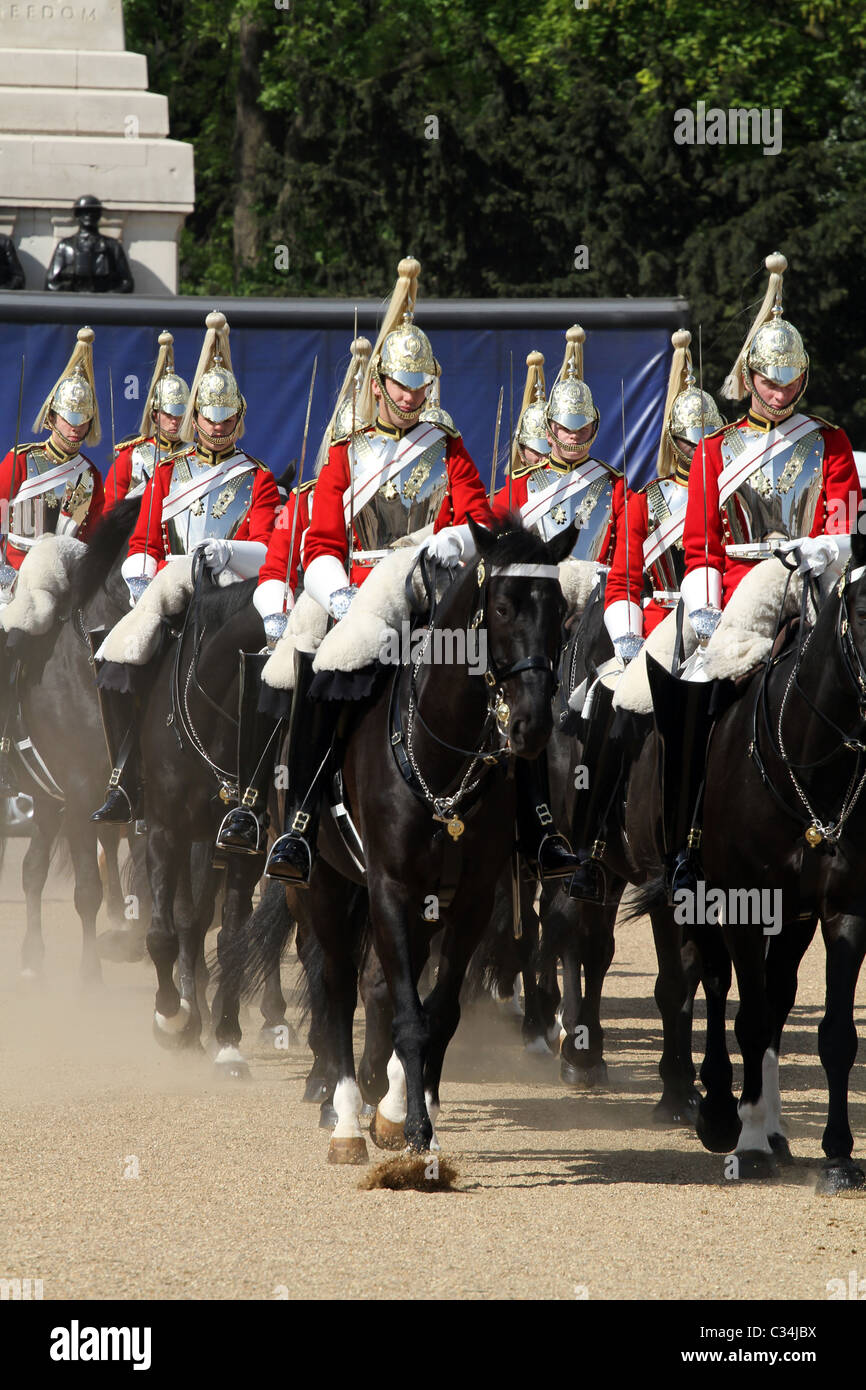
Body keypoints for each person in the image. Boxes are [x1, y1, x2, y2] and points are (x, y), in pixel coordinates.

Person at [264, 255, 496, 885]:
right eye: (400, 384)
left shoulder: (448, 447)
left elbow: (480, 521)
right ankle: (299, 823)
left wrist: (454, 542)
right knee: (317, 667)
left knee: (496, 676)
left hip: (429, 595)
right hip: (357, 595)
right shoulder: (346, 452)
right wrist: (339, 596)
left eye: (420, 385)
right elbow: (321, 542)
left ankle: (524, 830)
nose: (410, 395)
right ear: (380, 383)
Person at [652, 251, 861, 897]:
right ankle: (685, 841)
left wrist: (823, 551)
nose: (780, 391)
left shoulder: (829, 441)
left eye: (790, 379)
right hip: (738, 594)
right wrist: (708, 609)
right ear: (751, 378)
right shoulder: (717, 449)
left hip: (813, 586)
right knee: (685, 690)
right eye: (769, 381)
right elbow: (702, 544)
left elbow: (846, 523)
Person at [91, 310, 279, 823]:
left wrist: (229, 555)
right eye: (208, 419)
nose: (216, 430)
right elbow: (146, 540)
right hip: (172, 593)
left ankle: (259, 790)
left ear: (238, 419)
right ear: (194, 418)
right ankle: (126, 775)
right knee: (115, 658)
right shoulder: (168, 472)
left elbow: (265, 548)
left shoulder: (258, 480)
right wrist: (138, 578)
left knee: (270, 674)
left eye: (226, 420)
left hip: (231, 599)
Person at [567, 329, 723, 901]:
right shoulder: (642, 500)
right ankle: (592, 844)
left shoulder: (726, 494)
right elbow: (625, 582)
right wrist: (628, 641)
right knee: (613, 700)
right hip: (656, 629)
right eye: (690, 441)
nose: (699, 450)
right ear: (674, 442)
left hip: (719, 625)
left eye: (709, 439)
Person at [214, 335, 373, 859]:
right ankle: (255, 802)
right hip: (320, 617)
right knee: (273, 672)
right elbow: (276, 565)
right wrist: (275, 613)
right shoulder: (305, 500)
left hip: (389, 615)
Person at [0, 326, 106, 792]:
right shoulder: (20, 462)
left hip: (64, 584)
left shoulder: (90, 477)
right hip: (12, 577)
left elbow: (92, 541)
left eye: (82, 423)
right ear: (53, 417)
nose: (75, 429)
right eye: (68, 420)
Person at [104, 331, 189, 509]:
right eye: (169, 415)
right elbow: (111, 513)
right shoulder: (130, 456)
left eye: (180, 415)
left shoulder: (197, 453)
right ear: (155, 414)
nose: (175, 421)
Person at [45, 195, 134, 293]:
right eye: (83, 212)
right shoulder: (65, 246)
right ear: (76, 214)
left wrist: (109, 297)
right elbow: (51, 284)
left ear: (99, 215)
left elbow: (127, 283)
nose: (88, 215)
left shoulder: (112, 246)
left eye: (93, 211)